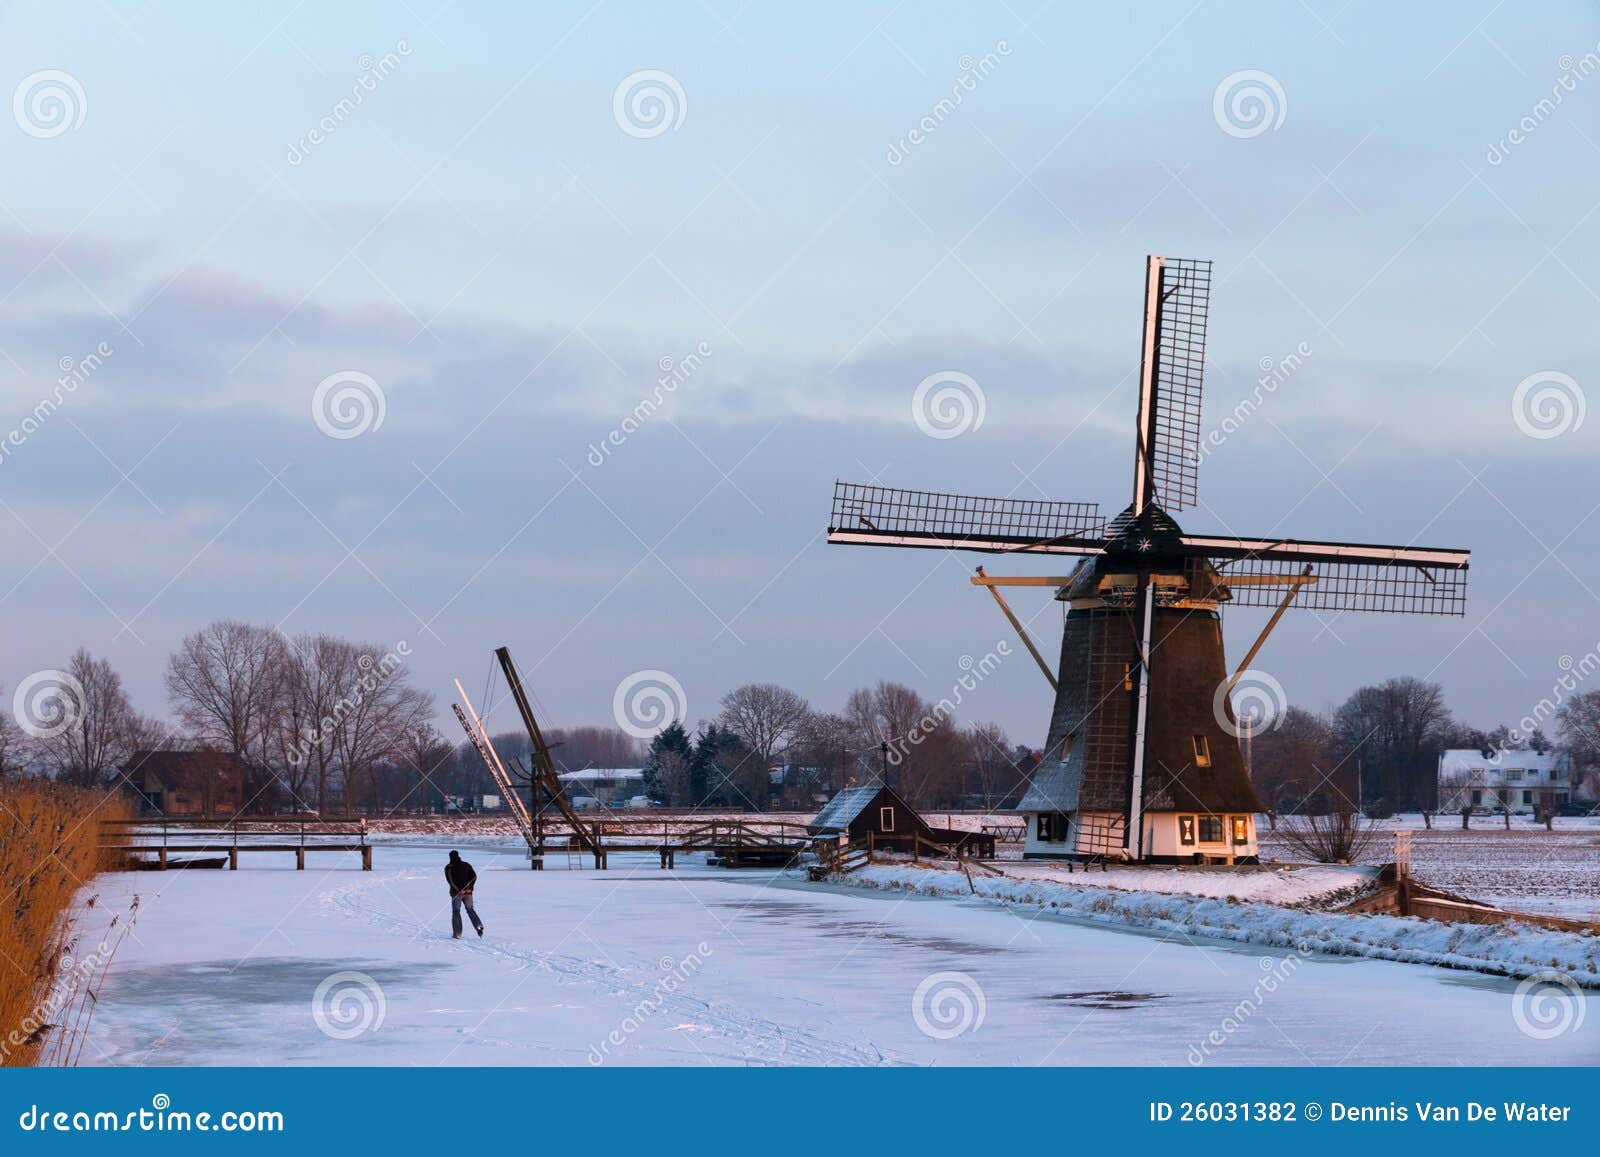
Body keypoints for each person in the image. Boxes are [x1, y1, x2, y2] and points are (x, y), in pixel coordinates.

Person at [444, 850, 484, 939]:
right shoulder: (466, 864)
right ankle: (478, 926)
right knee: (470, 910)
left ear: (450, 857)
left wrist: (459, 890)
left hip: (456, 893)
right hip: (468, 893)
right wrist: (470, 887)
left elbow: (450, 881)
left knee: (456, 912)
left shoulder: (448, 867)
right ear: (458, 856)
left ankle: (457, 934)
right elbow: (474, 876)